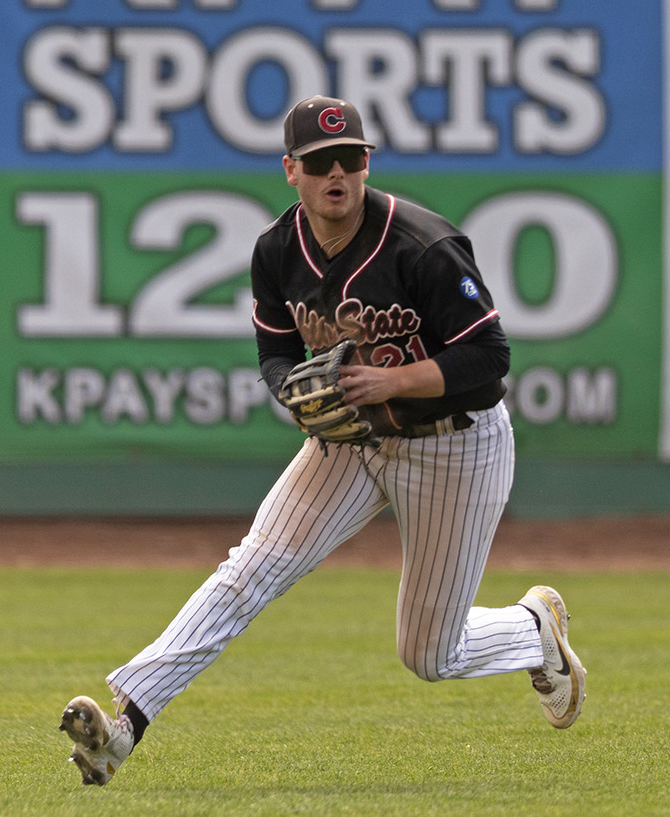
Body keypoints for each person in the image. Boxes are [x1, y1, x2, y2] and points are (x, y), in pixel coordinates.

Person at [59, 95, 586, 786]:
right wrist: (295, 393)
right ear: (291, 171)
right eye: (320, 162)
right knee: (249, 572)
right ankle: (128, 726)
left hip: (455, 445)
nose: (337, 173)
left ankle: (532, 631)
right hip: (353, 442)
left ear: (367, 164)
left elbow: (489, 360)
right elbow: (275, 355)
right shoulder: (277, 252)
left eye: (352, 158)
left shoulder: (423, 246)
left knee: (429, 654)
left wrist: (392, 384)